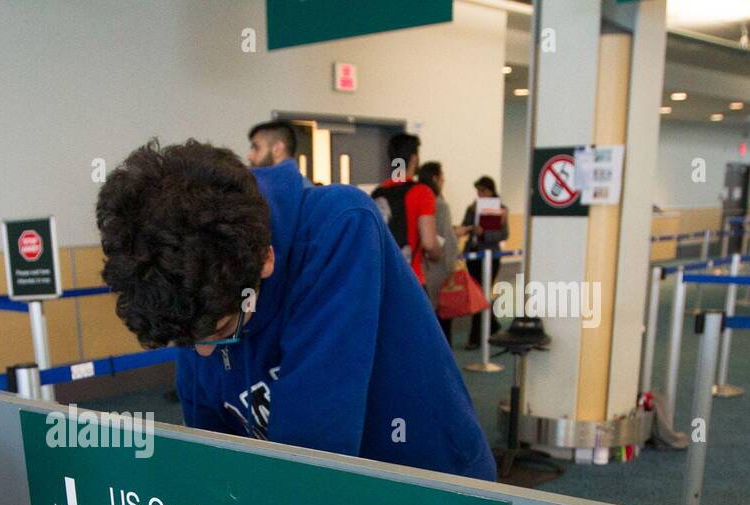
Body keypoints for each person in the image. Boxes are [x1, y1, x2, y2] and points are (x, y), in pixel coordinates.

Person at [95, 139, 496, 481]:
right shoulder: (196, 282)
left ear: (266, 258)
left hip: (425, 484)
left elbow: (311, 453)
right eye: (186, 341)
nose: (202, 353)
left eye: (220, 332)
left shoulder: (340, 226)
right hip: (318, 496)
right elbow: (211, 442)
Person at [371, 133, 441, 286]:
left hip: (383, 280)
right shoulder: (422, 192)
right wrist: (438, 252)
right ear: (414, 158)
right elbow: (429, 243)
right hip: (411, 279)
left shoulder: (378, 192)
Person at [459, 175, 509, 349]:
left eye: (483, 190)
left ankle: (476, 337)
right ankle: (492, 325)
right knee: (477, 293)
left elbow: (503, 234)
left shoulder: (501, 209)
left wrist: (484, 233)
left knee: (481, 293)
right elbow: (464, 227)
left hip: (491, 255)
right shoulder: (471, 208)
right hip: (473, 255)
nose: (480, 194)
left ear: (491, 190)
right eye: (478, 191)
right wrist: (473, 225)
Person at [416, 161, 459, 344]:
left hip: (421, 269)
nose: (444, 181)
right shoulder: (439, 205)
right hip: (437, 269)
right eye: (442, 177)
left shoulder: (416, 198)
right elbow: (437, 239)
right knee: (442, 323)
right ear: (435, 178)